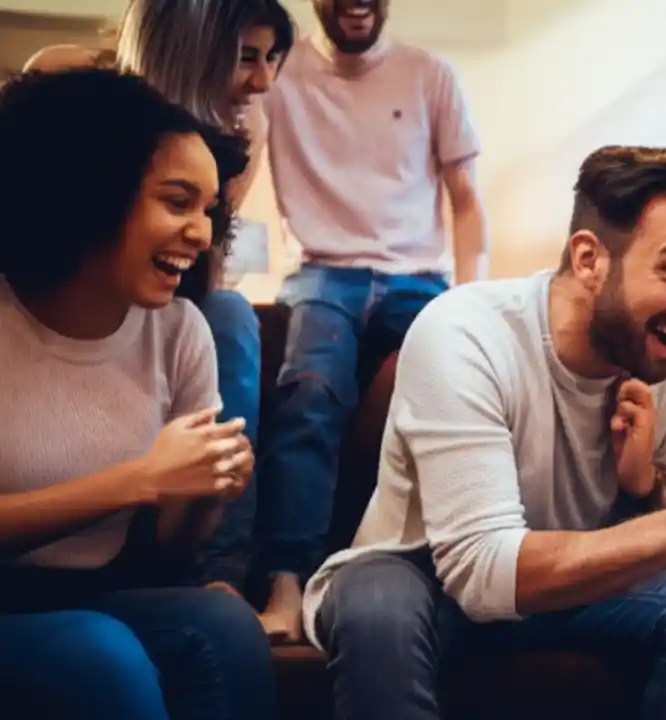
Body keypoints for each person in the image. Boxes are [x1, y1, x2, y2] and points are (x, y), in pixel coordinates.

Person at [304, 145, 666, 720]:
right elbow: (482, 573)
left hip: (574, 587)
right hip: (429, 574)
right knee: (374, 603)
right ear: (589, 260)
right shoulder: (465, 333)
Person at [0, 68, 274, 720]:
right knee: (103, 654)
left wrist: (202, 491)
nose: (202, 233)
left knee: (226, 626)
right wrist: (142, 479)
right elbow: (140, 484)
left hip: (100, 594)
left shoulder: (180, 331)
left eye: (208, 210)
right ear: (91, 193)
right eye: (178, 203)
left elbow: (174, 547)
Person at [23, 0, 296, 601]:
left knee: (225, 316)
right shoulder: (70, 82)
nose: (263, 81)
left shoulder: (243, 129)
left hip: (162, 314)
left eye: (272, 58)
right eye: (245, 57)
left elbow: (202, 267)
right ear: (191, 47)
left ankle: (217, 571)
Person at [253, 0, 492, 642]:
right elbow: (238, 165)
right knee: (310, 390)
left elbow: (466, 199)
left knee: (462, 390)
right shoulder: (278, 71)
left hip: (418, 277)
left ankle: (466, 569)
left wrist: (473, 301)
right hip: (322, 271)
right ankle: (286, 581)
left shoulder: (429, 74)